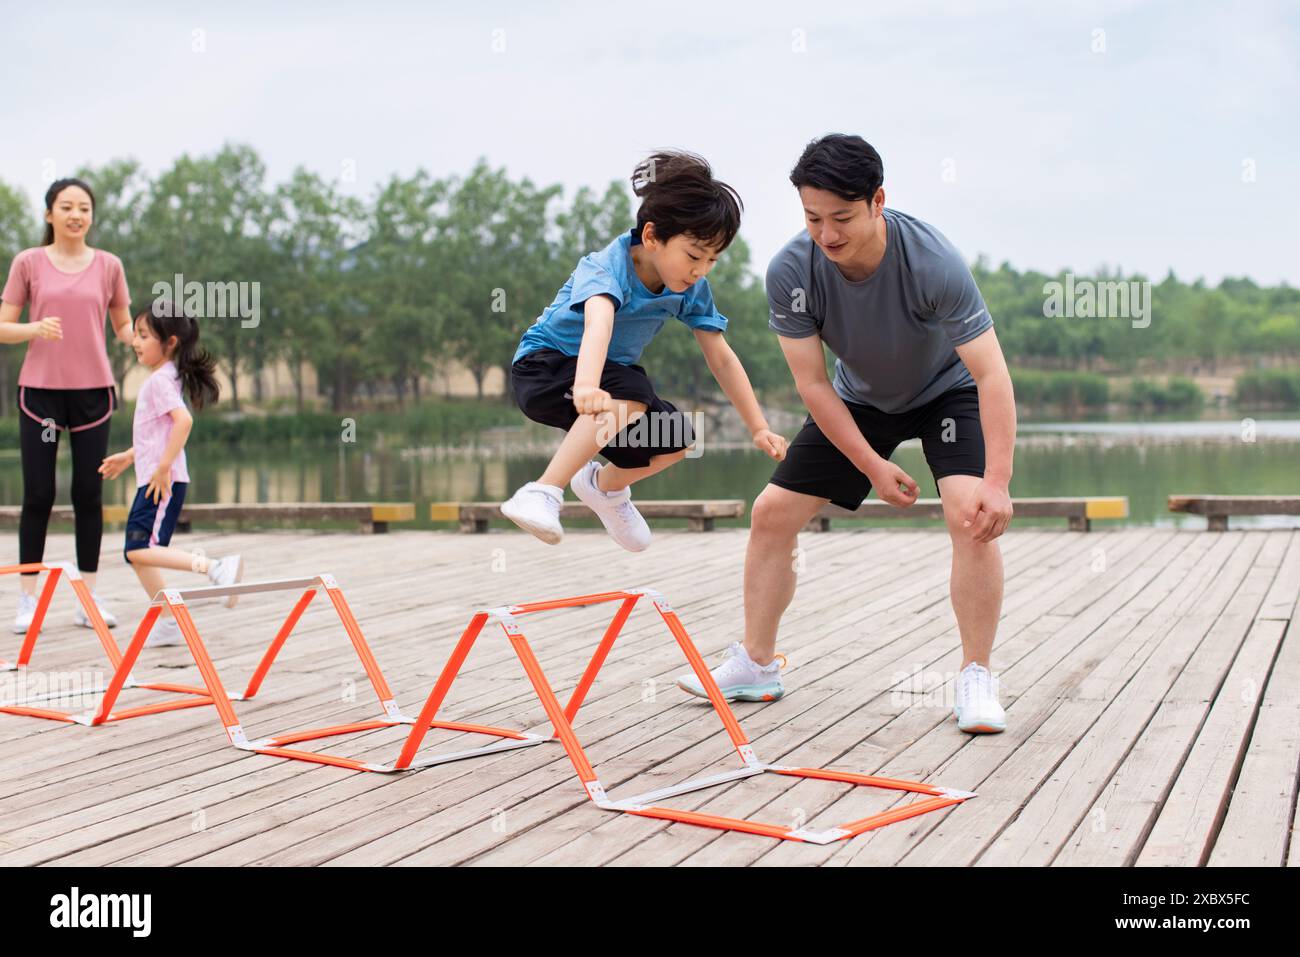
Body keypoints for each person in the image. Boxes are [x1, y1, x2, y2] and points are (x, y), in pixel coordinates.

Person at [677, 134, 1017, 734]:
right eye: (813, 218)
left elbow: (991, 372)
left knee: (970, 513)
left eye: (841, 218)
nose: (827, 234)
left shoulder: (932, 261)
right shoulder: (791, 272)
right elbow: (812, 385)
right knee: (771, 513)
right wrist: (871, 466)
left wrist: (998, 482)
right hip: (858, 399)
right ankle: (757, 664)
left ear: (877, 201)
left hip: (948, 390)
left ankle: (977, 677)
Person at [502, 151, 786, 550]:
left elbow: (720, 356)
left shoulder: (690, 289)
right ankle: (543, 491)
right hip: (543, 371)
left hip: (607, 390)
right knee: (631, 388)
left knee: (678, 437)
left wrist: (758, 426)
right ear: (652, 237)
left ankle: (603, 487)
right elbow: (598, 324)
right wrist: (585, 385)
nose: (700, 270)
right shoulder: (605, 268)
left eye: (712, 260)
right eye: (693, 256)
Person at [1, 178, 134, 633]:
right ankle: (27, 600)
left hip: (93, 393)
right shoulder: (28, 263)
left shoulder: (110, 266)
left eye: (84, 208)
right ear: (49, 214)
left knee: (88, 493)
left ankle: (88, 598)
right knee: (39, 493)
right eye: (66, 207)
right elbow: (3, 326)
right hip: (41, 393)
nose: (76, 215)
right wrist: (34, 329)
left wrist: (159, 344)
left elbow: (122, 327)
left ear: (91, 216)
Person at [98, 301, 242, 646]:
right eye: (135, 334)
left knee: (136, 550)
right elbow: (156, 434)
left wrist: (162, 468)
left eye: (143, 335)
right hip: (156, 477)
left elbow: (184, 421)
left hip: (162, 481)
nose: (135, 341)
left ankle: (215, 567)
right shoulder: (165, 378)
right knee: (140, 552)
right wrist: (131, 457)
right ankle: (167, 619)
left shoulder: (160, 381)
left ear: (170, 342)